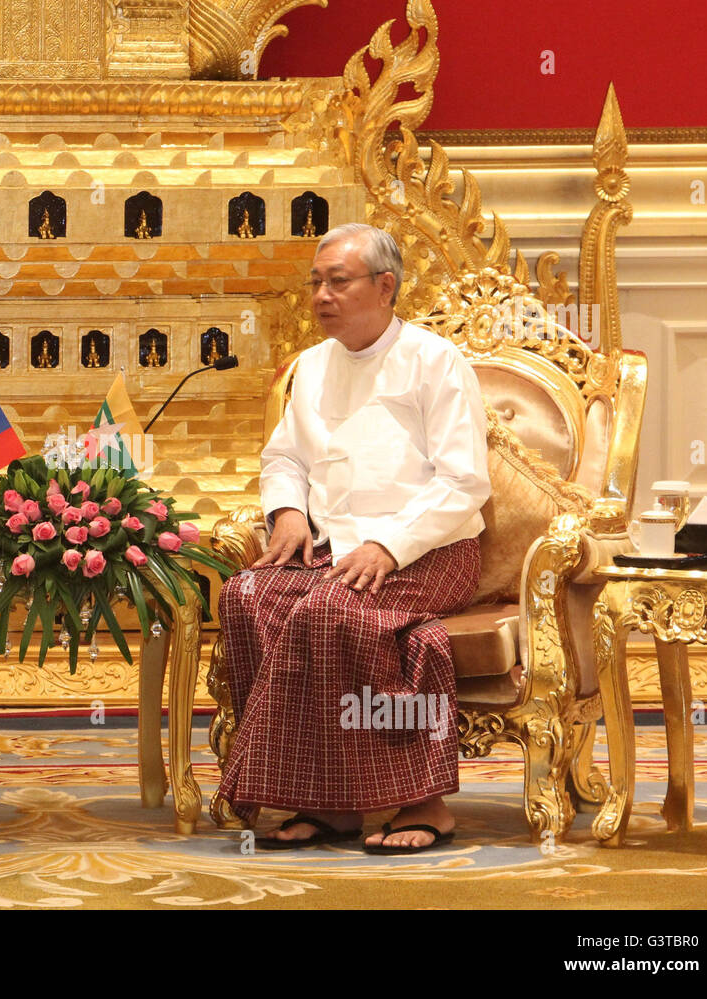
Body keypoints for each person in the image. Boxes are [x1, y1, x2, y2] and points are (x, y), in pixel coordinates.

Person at [216, 223, 490, 854]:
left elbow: (463, 482)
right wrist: (287, 513)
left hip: (430, 549)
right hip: (333, 548)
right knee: (246, 595)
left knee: (328, 611)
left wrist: (389, 546)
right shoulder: (310, 367)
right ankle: (326, 805)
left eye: (338, 282)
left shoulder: (435, 361)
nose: (321, 296)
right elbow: (282, 458)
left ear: (385, 286)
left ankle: (425, 801)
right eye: (316, 282)